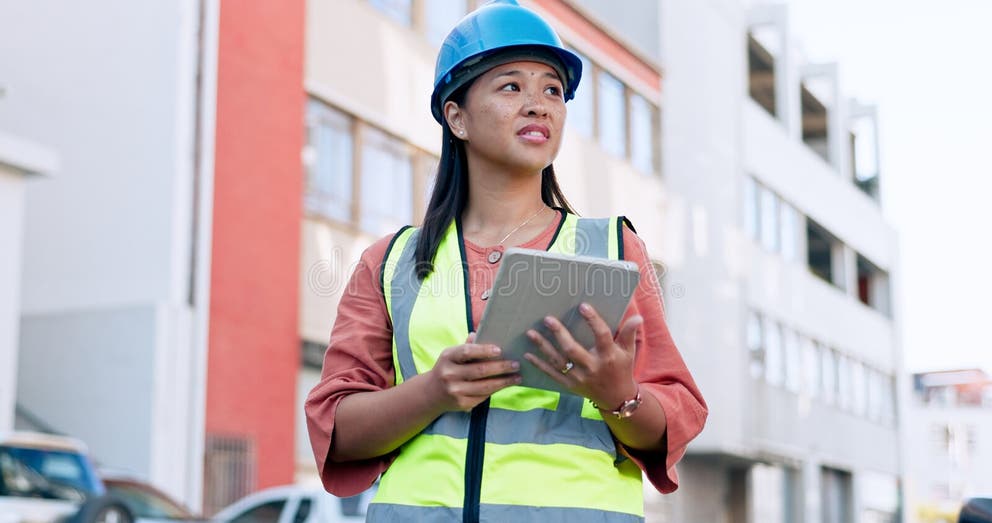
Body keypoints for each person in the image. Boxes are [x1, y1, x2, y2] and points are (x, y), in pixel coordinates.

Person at [305, 1, 707, 521]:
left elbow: (673, 420)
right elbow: (336, 430)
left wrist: (618, 396)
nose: (539, 104)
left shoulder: (611, 248)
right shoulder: (390, 262)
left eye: (553, 90)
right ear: (457, 116)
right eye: (512, 86)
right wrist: (432, 391)